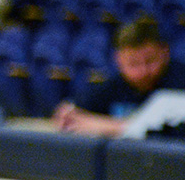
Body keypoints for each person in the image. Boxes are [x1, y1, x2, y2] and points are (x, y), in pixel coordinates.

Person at [53, 17, 185, 137]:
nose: (143, 71)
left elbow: (160, 131)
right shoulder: (115, 84)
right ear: (118, 60)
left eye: (150, 61)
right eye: (133, 64)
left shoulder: (179, 80)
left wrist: (109, 126)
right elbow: (73, 110)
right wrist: (68, 112)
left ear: (165, 53)